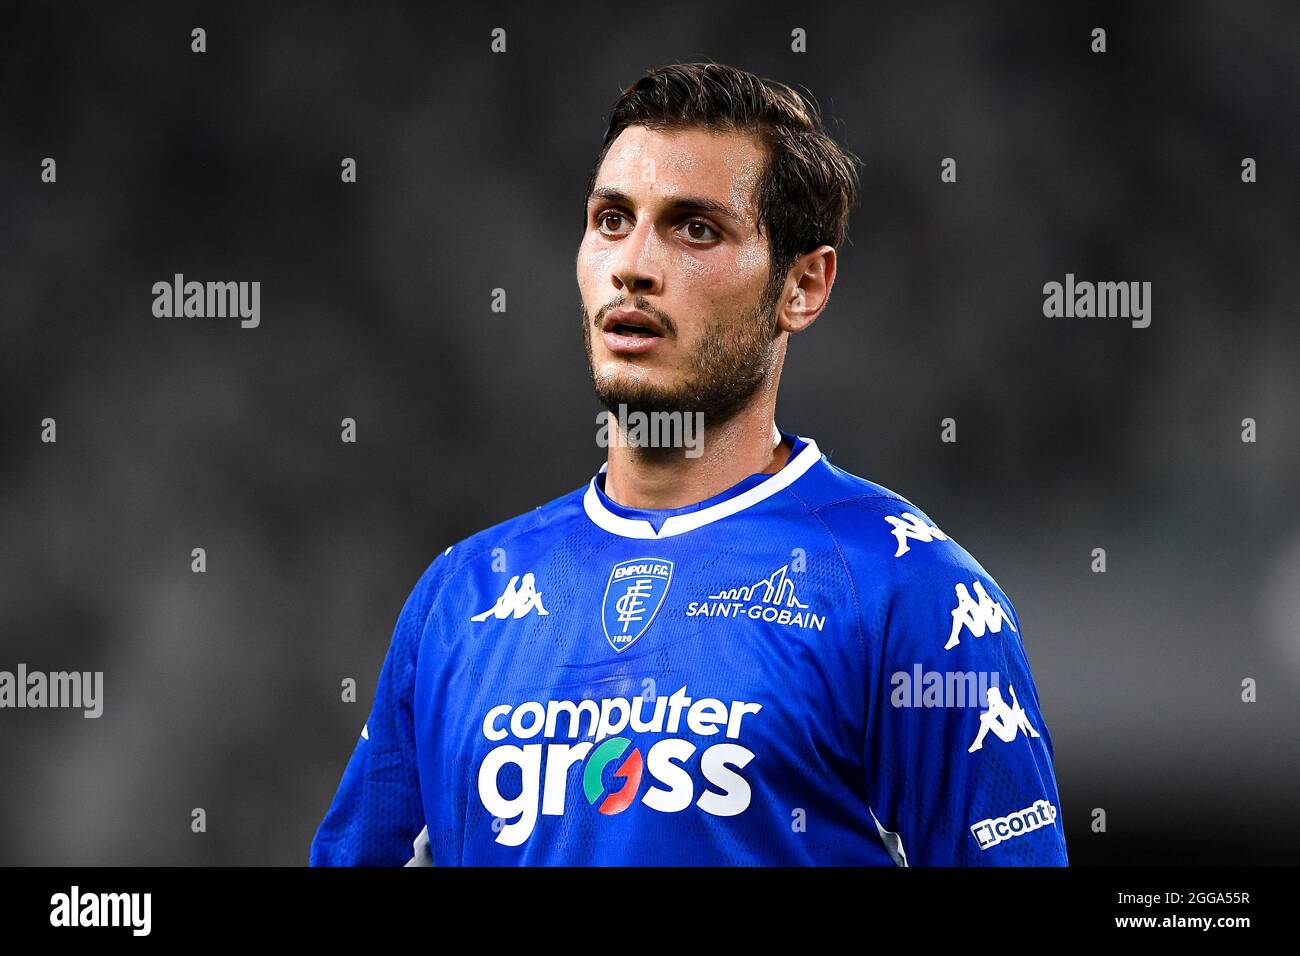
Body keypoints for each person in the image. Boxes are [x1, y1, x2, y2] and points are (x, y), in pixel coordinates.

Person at [310, 62, 1067, 866]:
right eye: (610, 220)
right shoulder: (462, 596)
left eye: (694, 228)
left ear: (802, 285)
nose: (633, 264)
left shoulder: (910, 595)